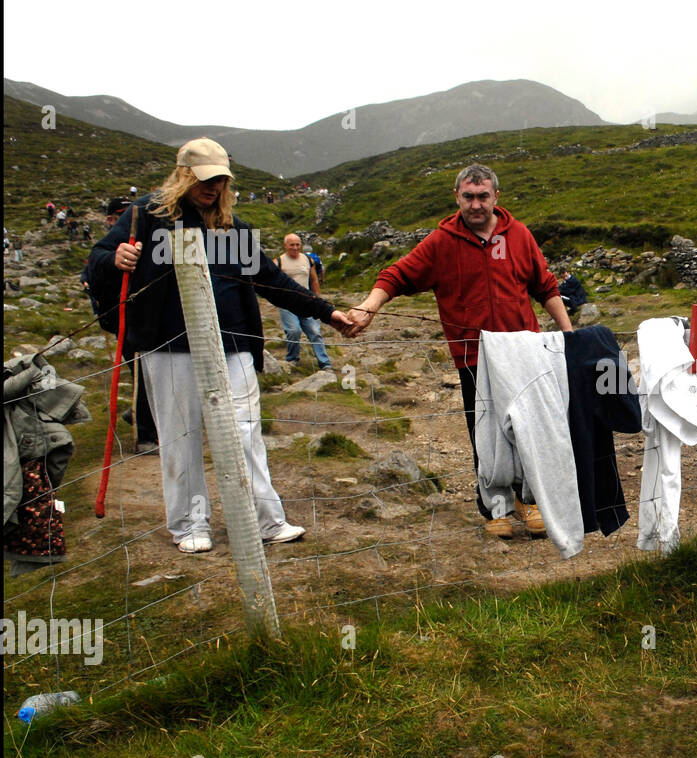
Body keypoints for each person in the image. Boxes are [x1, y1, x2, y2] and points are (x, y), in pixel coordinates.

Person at [86, 138, 355, 554]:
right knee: (180, 436)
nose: (213, 188)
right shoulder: (147, 217)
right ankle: (189, 524)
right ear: (184, 175)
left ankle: (266, 520)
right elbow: (98, 262)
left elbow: (272, 281)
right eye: (205, 179)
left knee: (245, 432)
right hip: (168, 345)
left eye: (221, 180)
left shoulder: (232, 228)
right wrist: (115, 257)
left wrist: (326, 312)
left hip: (233, 344)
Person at [345, 163, 572, 539]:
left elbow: (544, 286)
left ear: (496, 197)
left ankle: (531, 501)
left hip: (524, 352)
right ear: (457, 197)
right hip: (474, 358)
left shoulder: (518, 236)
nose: (476, 204)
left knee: (530, 430)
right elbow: (396, 275)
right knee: (486, 434)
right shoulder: (441, 242)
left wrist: (569, 333)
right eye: (469, 196)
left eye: (483, 196)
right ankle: (495, 508)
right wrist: (368, 308)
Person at [81, 197, 159, 454]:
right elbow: (93, 274)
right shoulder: (108, 246)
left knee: (153, 376)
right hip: (127, 321)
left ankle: (138, 416)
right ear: (111, 219)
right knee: (142, 376)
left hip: (150, 317)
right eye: (120, 214)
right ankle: (146, 437)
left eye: (128, 213)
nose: (125, 218)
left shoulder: (145, 239)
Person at [275, 234, 332, 371]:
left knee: (314, 331)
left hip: (306, 301)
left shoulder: (308, 260)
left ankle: (324, 362)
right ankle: (292, 359)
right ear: (285, 246)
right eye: (292, 245)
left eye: (297, 244)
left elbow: (314, 280)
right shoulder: (278, 262)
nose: (295, 248)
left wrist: (318, 298)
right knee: (293, 331)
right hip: (287, 304)